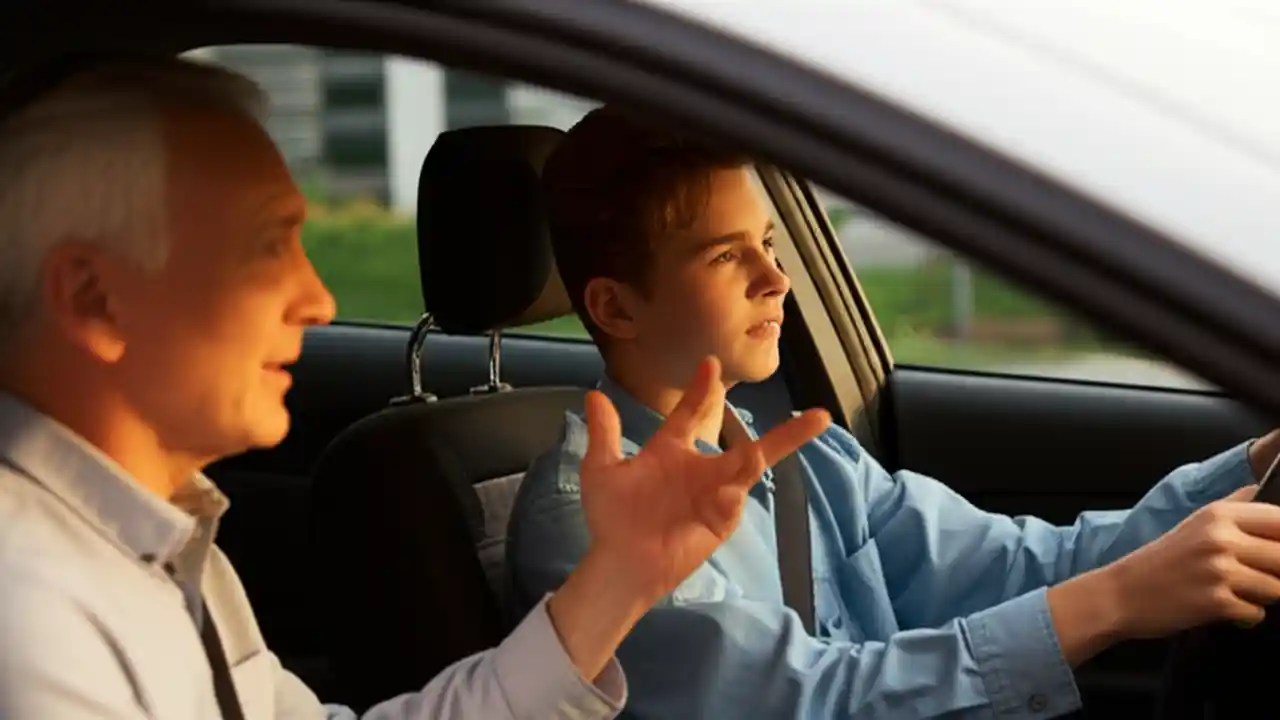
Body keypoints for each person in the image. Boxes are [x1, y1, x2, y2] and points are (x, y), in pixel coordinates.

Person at [0, 57, 829, 719]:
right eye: (264, 247)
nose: (317, 299)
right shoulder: (29, 615)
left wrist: (619, 583)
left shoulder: (163, 547)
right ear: (94, 300)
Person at [505, 105, 1280, 719]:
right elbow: (804, 703)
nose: (776, 279)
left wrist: (1248, 469)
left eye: (769, 243)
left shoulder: (805, 457)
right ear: (616, 306)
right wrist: (1114, 603)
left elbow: (1011, 565)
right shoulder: (587, 521)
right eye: (724, 255)